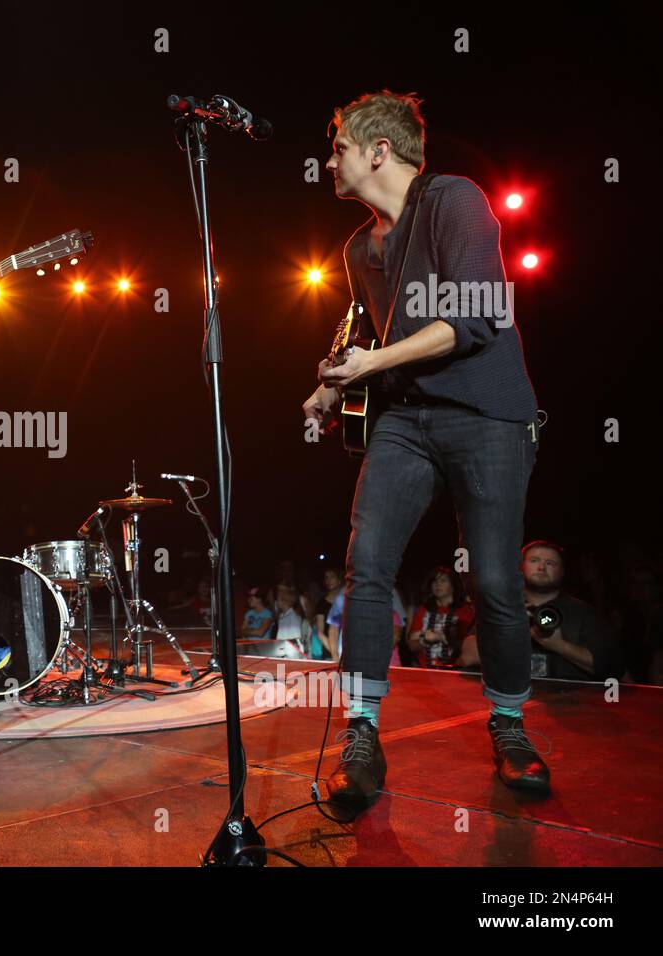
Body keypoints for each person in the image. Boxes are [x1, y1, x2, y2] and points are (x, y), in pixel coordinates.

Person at [303, 91, 548, 809]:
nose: (330, 160)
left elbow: (469, 321)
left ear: (379, 152)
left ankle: (509, 726)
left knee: (497, 581)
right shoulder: (357, 248)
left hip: (486, 415)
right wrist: (326, 385)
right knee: (367, 565)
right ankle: (362, 733)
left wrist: (370, 366)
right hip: (406, 419)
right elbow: (373, 332)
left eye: (340, 145)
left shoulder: (455, 202)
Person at [519, 541, 624, 682]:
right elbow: (478, 657)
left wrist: (559, 645)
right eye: (534, 560)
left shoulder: (584, 613)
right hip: (509, 699)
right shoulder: (502, 609)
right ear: (521, 567)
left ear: (562, 572)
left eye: (550, 563)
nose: (541, 567)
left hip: (569, 700)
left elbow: (612, 668)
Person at [407, 567, 475, 667]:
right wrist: (425, 641)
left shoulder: (465, 610)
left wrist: (441, 637)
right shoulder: (424, 609)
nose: (438, 584)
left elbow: (470, 646)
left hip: (455, 670)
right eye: (434, 581)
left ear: (453, 585)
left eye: (443, 580)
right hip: (425, 671)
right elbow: (411, 645)